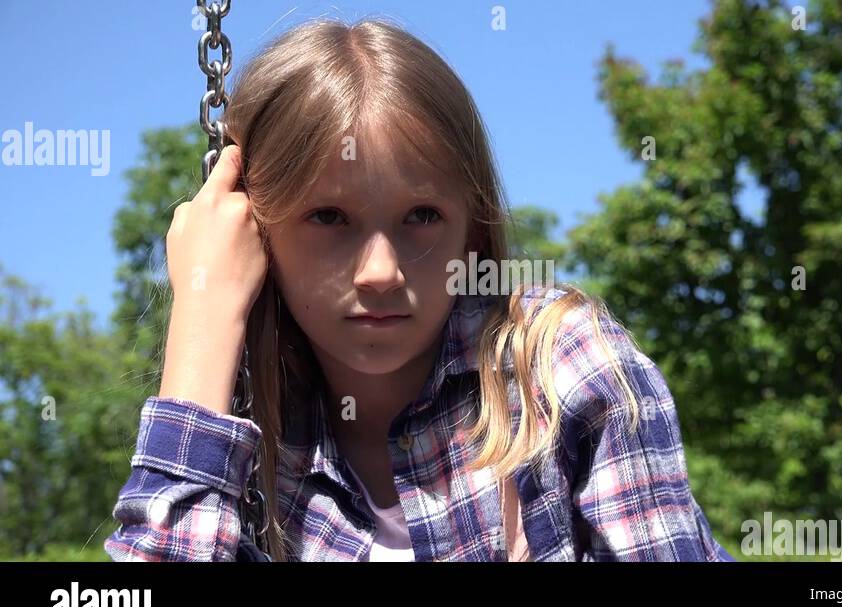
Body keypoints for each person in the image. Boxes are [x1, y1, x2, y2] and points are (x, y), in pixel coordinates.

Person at [104, 17, 733, 562]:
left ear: (472, 229)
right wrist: (206, 311)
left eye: (422, 216)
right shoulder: (252, 434)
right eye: (328, 217)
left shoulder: (560, 370)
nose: (381, 271)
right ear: (255, 236)